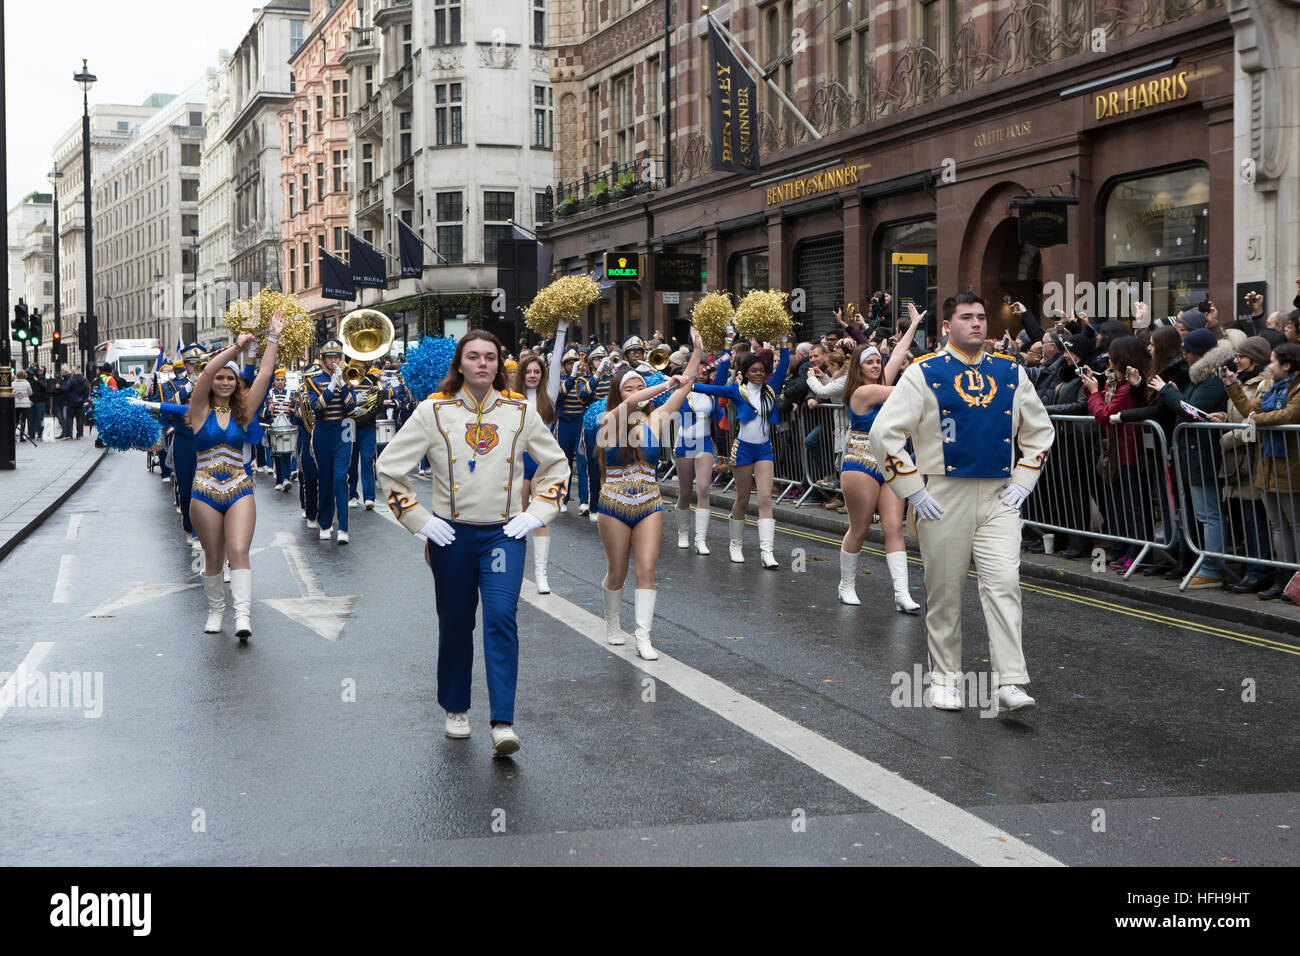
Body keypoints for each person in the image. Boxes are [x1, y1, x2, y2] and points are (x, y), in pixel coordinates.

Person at [375, 329, 569, 757]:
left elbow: (556, 464)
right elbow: (389, 467)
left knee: (502, 617)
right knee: (457, 621)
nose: (483, 363)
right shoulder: (433, 411)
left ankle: (503, 721)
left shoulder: (519, 411)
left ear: (500, 365)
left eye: (490, 357)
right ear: (460, 364)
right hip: (451, 536)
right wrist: (420, 521)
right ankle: (456, 707)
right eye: (474, 356)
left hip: (503, 533)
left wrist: (536, 514)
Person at [869, 292, 1055, 713]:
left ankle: (1010, 680)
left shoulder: (1012, 373)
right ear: (947, 326)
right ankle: (945, 679)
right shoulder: (923, 373)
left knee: (1005, 584)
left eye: (981, 317)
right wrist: (913, 489)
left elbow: (1040, 431)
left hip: (999, 495)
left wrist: (1024, 480)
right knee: (945, 590)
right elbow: (885, 433)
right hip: (942, 493)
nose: (977, 324)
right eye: (966, 317)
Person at [597, 331, 705, 659]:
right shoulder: (610, 419)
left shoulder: (656, 420)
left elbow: (685, 384)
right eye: (629, 387)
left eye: (640, 387)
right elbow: (632, 403)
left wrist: (697, 351)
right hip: (614, 501)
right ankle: (613, 623)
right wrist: (663, 385)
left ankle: (643, 637)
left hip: (649, 502)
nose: (636, 393)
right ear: (619, 393)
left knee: (647, 568)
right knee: (617, 571)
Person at [182, 313, 285, 639]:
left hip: (240, 487)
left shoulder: (245, 410)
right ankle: (216, 610)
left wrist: (272, 337)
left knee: (239, 550)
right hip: (204, 491)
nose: (224, 381)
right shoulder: (199, 410)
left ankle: (243, 616)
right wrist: (235, 348)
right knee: (214, 558)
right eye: (220, 378)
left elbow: (265, 373)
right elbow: (207, 370)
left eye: (231, 378)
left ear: (237, 383)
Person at [837, 303, 923, 608]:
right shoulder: (862, 393)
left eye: (878, 361)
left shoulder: (883, 381)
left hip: (891, 461)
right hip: (860, 463)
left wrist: (913, 327)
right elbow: (903, 392)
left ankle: (902, 594)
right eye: (870, 362)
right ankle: (846, 584)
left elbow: (898, 354)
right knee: (859, 528)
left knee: (892, 527)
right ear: (859, 368)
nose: (876, 365)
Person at [691, 337, 792, 567]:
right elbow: (710, 387)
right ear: (745, 372)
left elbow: (784, 363)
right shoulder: (737, 390)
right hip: (743, 450)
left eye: (761, 370)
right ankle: (735, 544)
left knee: (765, 499)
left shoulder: (771, 388)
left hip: (764, 450)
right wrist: (684, 383)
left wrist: (784, 339)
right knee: (743, 500)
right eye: (754, 370)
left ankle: (767, 552)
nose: (758, 373)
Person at [1146, 327, 1234, 588]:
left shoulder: (1213, 378)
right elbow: (1191, 407)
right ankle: (1207, 565)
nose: (1184, 356)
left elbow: (1191, 412)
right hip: (1193, 453)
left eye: (1188, 352)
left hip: (1203, 454)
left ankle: (1211, 569)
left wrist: (1167, 391)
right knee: (1204, 514)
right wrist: (1175, 393)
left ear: (1198, 354)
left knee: (1209, 515)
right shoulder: (1201, 376)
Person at [1222, 343, 1300, 601]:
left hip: (1291, 468)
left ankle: (1296, 580)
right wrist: (1233, 385)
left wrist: (1254, 420)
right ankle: (1284, 580)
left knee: (1295, 526)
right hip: (1266, 467)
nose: (1269, 365)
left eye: (1273, 361)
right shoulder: (1269, 387)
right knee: (1278, 526)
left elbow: (1289, 415)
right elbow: (1247, 409)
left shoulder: (1297, 387)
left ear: (1287, 365)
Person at [512, 351, 560, 593]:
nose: (532, 375)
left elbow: (558, 359)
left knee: (542, 517)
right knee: (517, 518)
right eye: (528, 371)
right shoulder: (511, 398)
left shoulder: (549, 395)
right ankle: (516, 574)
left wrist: (561, 327)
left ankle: (541, 576)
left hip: (542, 463)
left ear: (543, 375)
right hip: (518, 462)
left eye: (537, 372)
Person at [671, 349, 726, 554]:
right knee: (685, 491)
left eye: (704, 372)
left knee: (703, 488)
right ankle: (683, 533)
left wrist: (727, 347)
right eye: (698, 371)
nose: (701, 374)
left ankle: (700, 539)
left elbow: (722, 371)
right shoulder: (680, 392)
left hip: (704, 443)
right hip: (684, 443)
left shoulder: (711, 391)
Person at [307, 339, 359, 544]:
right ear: (324, 359)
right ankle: (325, 524)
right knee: (325, 478)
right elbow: (317, 408)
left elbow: (351, 406)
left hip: (343, 430)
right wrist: (330, 387)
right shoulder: (312, 381)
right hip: (323, 432)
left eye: (337, 357)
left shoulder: (348, 379)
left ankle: (344, 528)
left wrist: (343, 384)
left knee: (340, 477)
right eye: (330, 357)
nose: (334, 360)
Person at [555, 349, 592, 514]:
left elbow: (589, 397)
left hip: (580, 424)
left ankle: (584, 501)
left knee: (582, 463)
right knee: (565, 463)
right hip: (564, 425)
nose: (573, 366)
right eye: (570, 363)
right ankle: (563, 498)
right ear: (564, 366)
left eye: (575, 363)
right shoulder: (560, 380)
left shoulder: (584, 381)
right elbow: (558, 397)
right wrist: (571, 378)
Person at [262, 368, 296, 492]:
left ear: (285, 381)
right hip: (274, 430)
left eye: (282, 380)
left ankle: (286, 479)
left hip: (287, 429)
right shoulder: (269, 394)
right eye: (278, 380)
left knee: (286, 453)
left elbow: (295, 411)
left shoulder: (291, 394)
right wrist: (268, 410)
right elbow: (263, 414)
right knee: (277, 455)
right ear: (274, 381)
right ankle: (279, 480)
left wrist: (292, 412)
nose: (280, 382)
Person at [13, 370, 33, 441]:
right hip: (25, 404)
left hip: (16, 403)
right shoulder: (27, 383)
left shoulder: (13, 383)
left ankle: (13, 434)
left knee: (16, 420)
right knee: (23, 420)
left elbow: (12, 392)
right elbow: (30, 393)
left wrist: (17, 395)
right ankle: (22, 436)